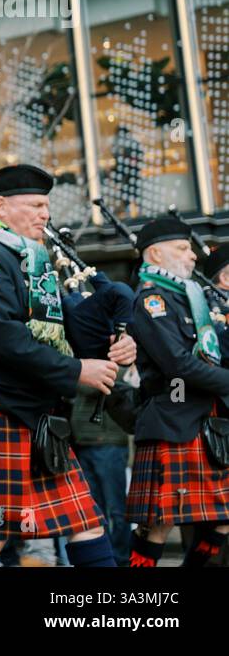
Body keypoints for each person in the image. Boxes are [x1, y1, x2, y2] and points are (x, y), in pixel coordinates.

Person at [0, 164, 129, 567]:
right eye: (36, 205)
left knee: (86, 522)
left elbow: (72, 326)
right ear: (2, 207)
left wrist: (117, 335)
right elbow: (5, 340)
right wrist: (78, 371)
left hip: (37, 410)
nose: (46, 214)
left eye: (47, 206)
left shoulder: (38, 264)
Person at [126, 216, 229, 566]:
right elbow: (178, 367)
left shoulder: (191, 297)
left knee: (222, 519)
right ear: (155, 254)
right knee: (159, 523)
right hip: (174, 415)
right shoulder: (152, 300)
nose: (192, 257)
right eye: (182, 249)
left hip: (207, 418)